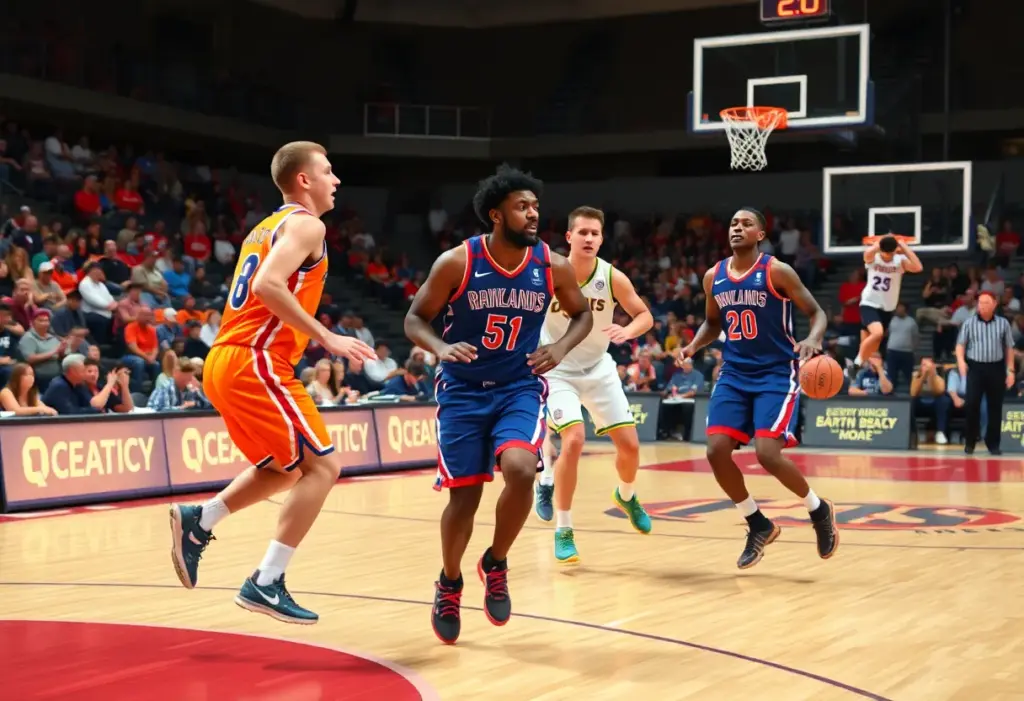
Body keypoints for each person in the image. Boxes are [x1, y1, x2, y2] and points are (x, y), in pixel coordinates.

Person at [167, 141, 376, 625]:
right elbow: (266, 284)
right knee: (323, 469)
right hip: (257, 361)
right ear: (304, 180)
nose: (336, 179)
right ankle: (265, 581)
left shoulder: (266, 227)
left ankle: (201, 520)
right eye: (328, 170)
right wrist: (326, 336)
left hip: (226, 360)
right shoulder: (307, 224)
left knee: (284, 469)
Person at [404, 163, 593, 644]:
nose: (533, 214)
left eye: (535, 206)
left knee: (522, 468)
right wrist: (441, 348)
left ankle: (497, 561)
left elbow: (582, 314)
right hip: (463, 391)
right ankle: (449, 582)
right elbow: (415, 320)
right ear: (495, 214)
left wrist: (561, 348)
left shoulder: (552, 264)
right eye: (521, 207)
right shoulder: (456, 262)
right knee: (463, 498)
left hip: (519, 386)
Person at [675, 208, 839, 569]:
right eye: (733, 223)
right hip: (734, 373)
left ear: (760, 234)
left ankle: (818, 508)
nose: (738, 228)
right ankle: (757, 523)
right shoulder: (713, 276)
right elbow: (712, 323)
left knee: (767, 453)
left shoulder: (776, 271)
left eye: (746, 224)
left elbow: (818, 313)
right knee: (716, 451)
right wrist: (691, 346)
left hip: (777, 374)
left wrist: (812, 339)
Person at [534, 205, 653, 564]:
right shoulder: (549, 270)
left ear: (602, 239)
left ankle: (627, 495)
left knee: (630, 449)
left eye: (595, 233)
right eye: (582, 232)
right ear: (569, 237)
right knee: (573, 438)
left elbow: (644, 314)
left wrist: (627, 331)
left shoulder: (612, 276)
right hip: (557, 369)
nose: (589, 238)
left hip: (599, 368)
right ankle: (564, 527)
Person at [955, 291, 1015, 454]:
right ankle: (970, 440)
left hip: (996, 367)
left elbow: (1009, 348)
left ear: (994, 304)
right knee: (972, 404)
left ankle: (993, 443)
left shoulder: (1003, 324)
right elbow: (960, 345)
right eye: (980, 303)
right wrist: (961, 361)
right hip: (975, 368)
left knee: (995, 407)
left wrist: (1010, 371)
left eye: (986, 303)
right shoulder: (969, 323)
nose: (982, 306)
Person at [854, 234, 922, 373]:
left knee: (874, 344)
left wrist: (904, 246)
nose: (886, 255)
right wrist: (879, 243)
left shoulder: (899, 261)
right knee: (877, 333)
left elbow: (918, 267)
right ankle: (856, 363)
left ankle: (860, 363)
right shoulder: (874, 258)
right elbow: (867, 254)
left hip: (887, 308)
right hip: (870, 303)